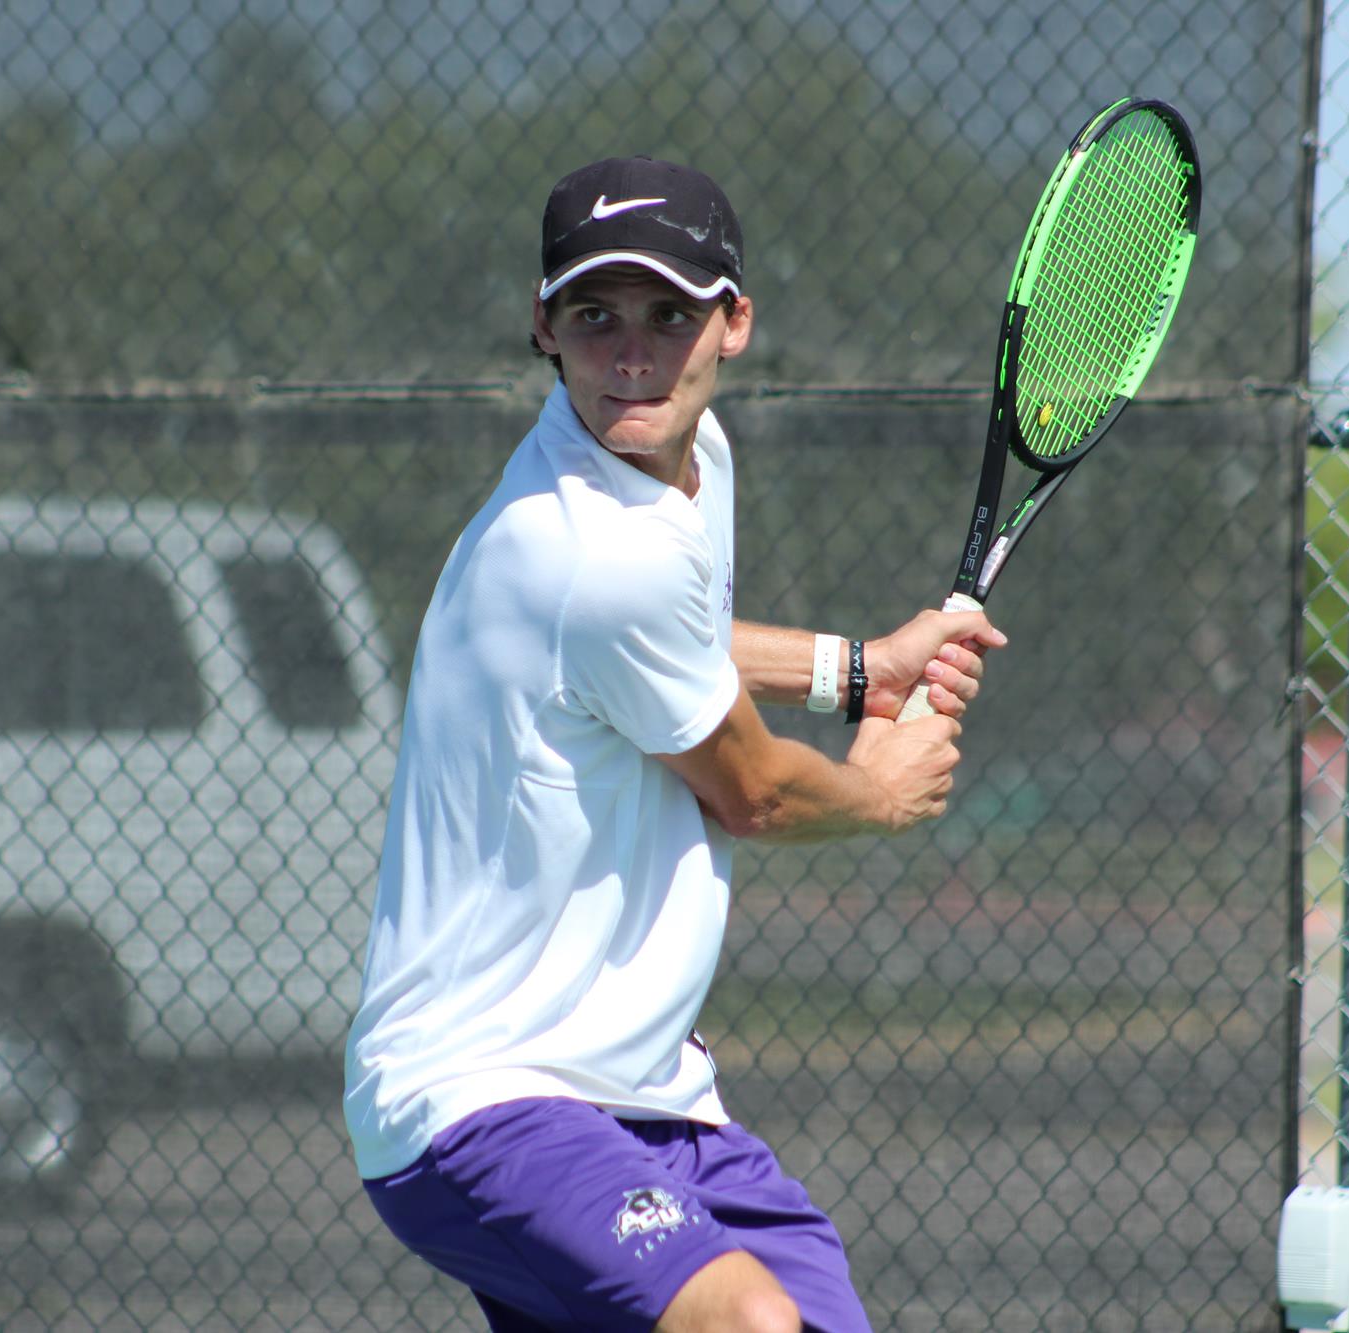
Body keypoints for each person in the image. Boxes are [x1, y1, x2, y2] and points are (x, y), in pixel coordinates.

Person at [343, 155, 1007, 1333]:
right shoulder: (587, 542)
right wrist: (878, 787)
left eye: (667, 313)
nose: (631, 353)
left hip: (649, 1094)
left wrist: (858, 668)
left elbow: (668, 655)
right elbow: (748, 790)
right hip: (483, 1092)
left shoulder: (686, 471)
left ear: (732, 323)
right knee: (747, 1323)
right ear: (542, 327)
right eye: (594, 317)